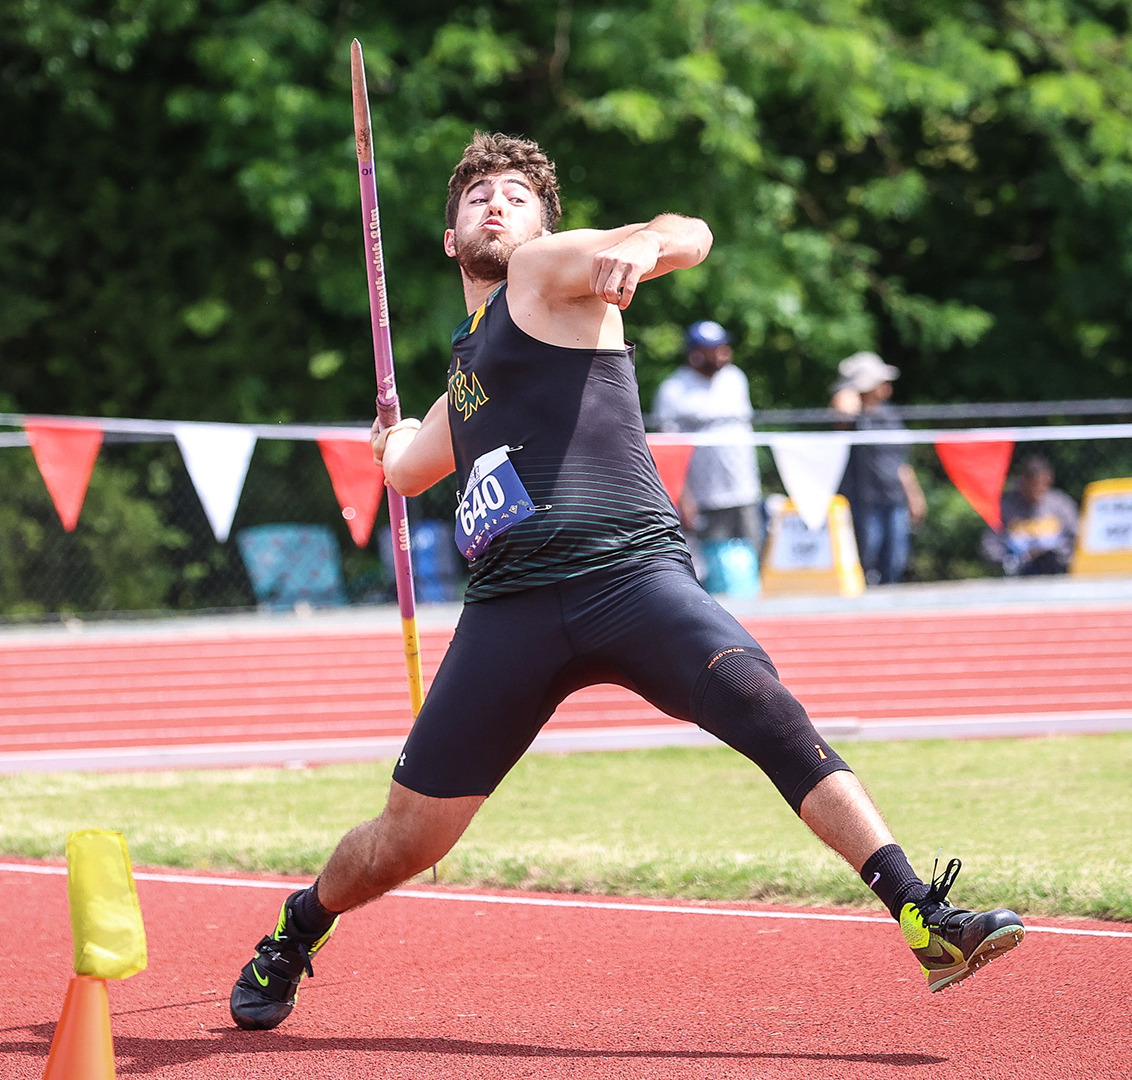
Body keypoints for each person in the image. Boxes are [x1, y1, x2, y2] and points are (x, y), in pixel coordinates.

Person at [228, 133, 1022, 1030]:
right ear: (449, 235)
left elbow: (690, 231)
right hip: (510, 615)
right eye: (478, 195)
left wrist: (642, 245)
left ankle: (922, 913)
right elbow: (413, 471)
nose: (496, 205)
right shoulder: (470, 358)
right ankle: (301, 924)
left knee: (762, 701)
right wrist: (390, 439)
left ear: (545, 225)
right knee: (401, 846)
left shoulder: (542, 274)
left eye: (516, 195)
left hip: (630, 577)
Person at [650, 320, 764, 584]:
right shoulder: (673, 390)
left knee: (749, 561)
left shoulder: (735, 378)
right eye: (714, 348)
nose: (723, 353)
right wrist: (683, 498)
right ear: (696, 352)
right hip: (704, 496)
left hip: (744, 489)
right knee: (713, 569)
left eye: (724, 347)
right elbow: (669, 453)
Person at [831, 352, 926, 585]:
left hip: (894, 498)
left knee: (895, 561)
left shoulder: (891, 415)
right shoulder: (852, 417)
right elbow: (840, 406)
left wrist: (914, 495)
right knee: (866, 557)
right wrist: (854, 386)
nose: (886, 385)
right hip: (862, 501)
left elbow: (901, 462)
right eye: (879, 380)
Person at [979, 455, 1080, 575]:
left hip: (1057, 567)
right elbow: (989, 544)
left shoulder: (1060, 503)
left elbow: (1078, 536)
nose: (1038, 489)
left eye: (1042, 484)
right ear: (1022, 481)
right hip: (1020, 570)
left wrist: (1057, 552)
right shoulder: (1006, 507)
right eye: (1033, 484)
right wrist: (1008, 560)